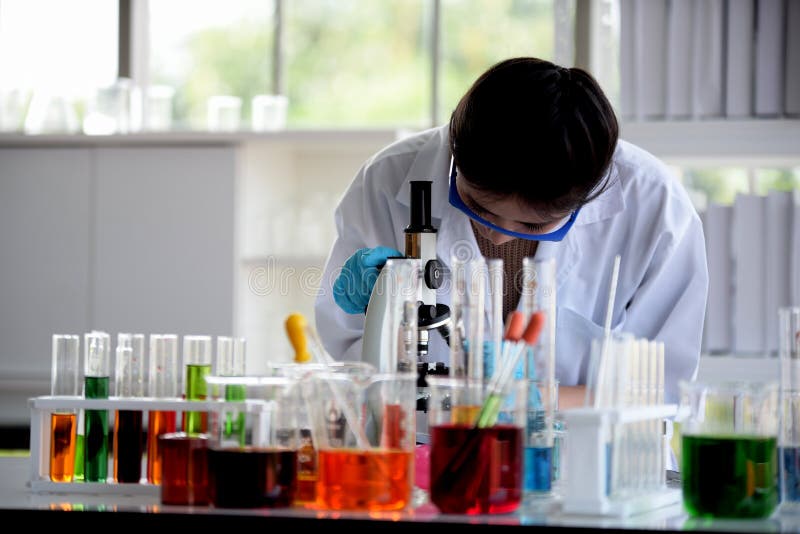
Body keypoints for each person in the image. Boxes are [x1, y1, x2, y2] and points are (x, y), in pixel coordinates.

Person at [314, 57, 709, 412]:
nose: (499, 239)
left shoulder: (655, 206)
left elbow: (664, 386)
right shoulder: (389, 179)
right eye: (479, 209)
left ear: (588, 197)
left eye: (533, 226)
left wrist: (537, 400)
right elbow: (351, 355)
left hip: (592, 462)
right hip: (431, 452)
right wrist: (380, 309)